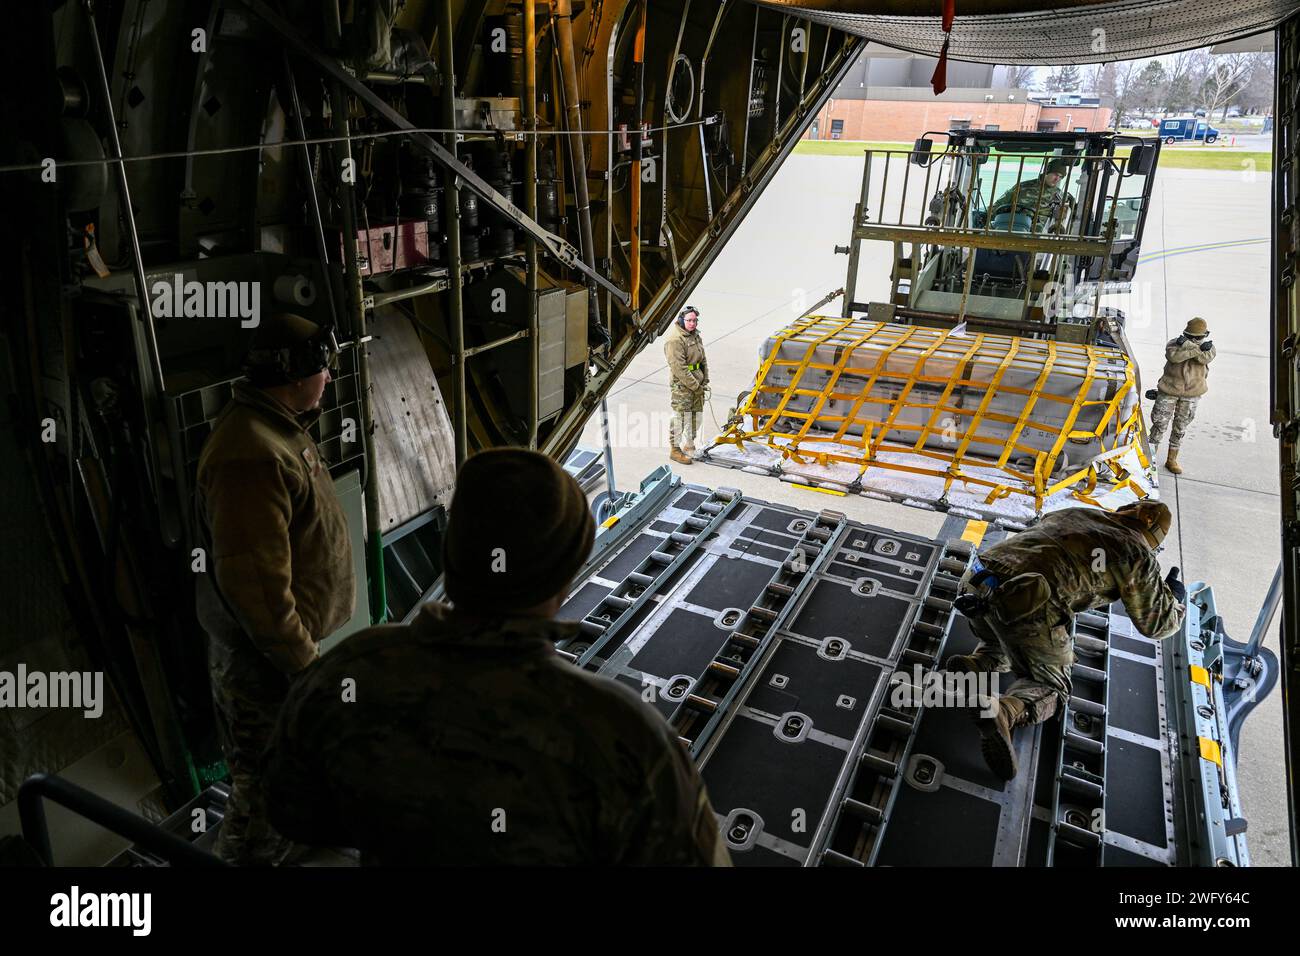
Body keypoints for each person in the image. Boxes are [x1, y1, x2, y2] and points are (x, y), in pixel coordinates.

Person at [263, 448, 731, 866]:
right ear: (565, 575)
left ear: (451, 552)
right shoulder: (627, 739)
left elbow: (290, 811)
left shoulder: (352, 671)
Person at [194, 311, 354, 865]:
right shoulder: (250, 453)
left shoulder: (278, 428)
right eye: (323, 368)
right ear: (293, 375)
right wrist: (304, 666)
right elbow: (259, 589)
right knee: (260, 790)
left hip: (282, 653)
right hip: (265, 663)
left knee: (288, 773)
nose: (330, 377)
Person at [945, 501, 1185, 780]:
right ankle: (1005, 711)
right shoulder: (1135, 552)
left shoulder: (1078, 512)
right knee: (1050, 687)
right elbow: (1156, 625)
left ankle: (978, 663)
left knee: (1008, 627)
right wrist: (1174, 599)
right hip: (1026, 604)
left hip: (976, 583)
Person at [1149, 317, 1216, 475]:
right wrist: (1191, 347)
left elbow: (1204, 358)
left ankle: (1171, 460)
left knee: (1180, 428)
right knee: (1159, 425)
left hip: (1191, 394)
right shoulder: (1174, 343)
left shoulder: (1209, 348)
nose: (1196, 340)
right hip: (1169, 391)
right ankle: (1148, 459)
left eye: (1198, 338)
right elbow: (1174, 357)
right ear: (1185, 334)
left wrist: (1189, 347)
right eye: (1191, 337)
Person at [663, 305, 709, 465]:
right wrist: (696, 386)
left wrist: (705, 381)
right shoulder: (675, 340)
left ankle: (690, 445)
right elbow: (679, 368)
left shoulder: (695, 336)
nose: (693, 323)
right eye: (689, 320)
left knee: (696, 416)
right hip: (682, 386)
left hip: (697, 383)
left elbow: (703, 360)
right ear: (682, 320)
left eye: (695, 320)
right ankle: (675, 450)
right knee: (680, 418)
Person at [988, 157, 1073, 231]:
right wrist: (987, 216)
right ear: (1047, 171)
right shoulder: (1022, 186)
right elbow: (1000, 204)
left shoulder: (1059, 195)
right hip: (1013, 221)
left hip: (1037, 228)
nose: (1057, 179)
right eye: (1055, 174)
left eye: (1061, 177)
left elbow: (1061, 215)